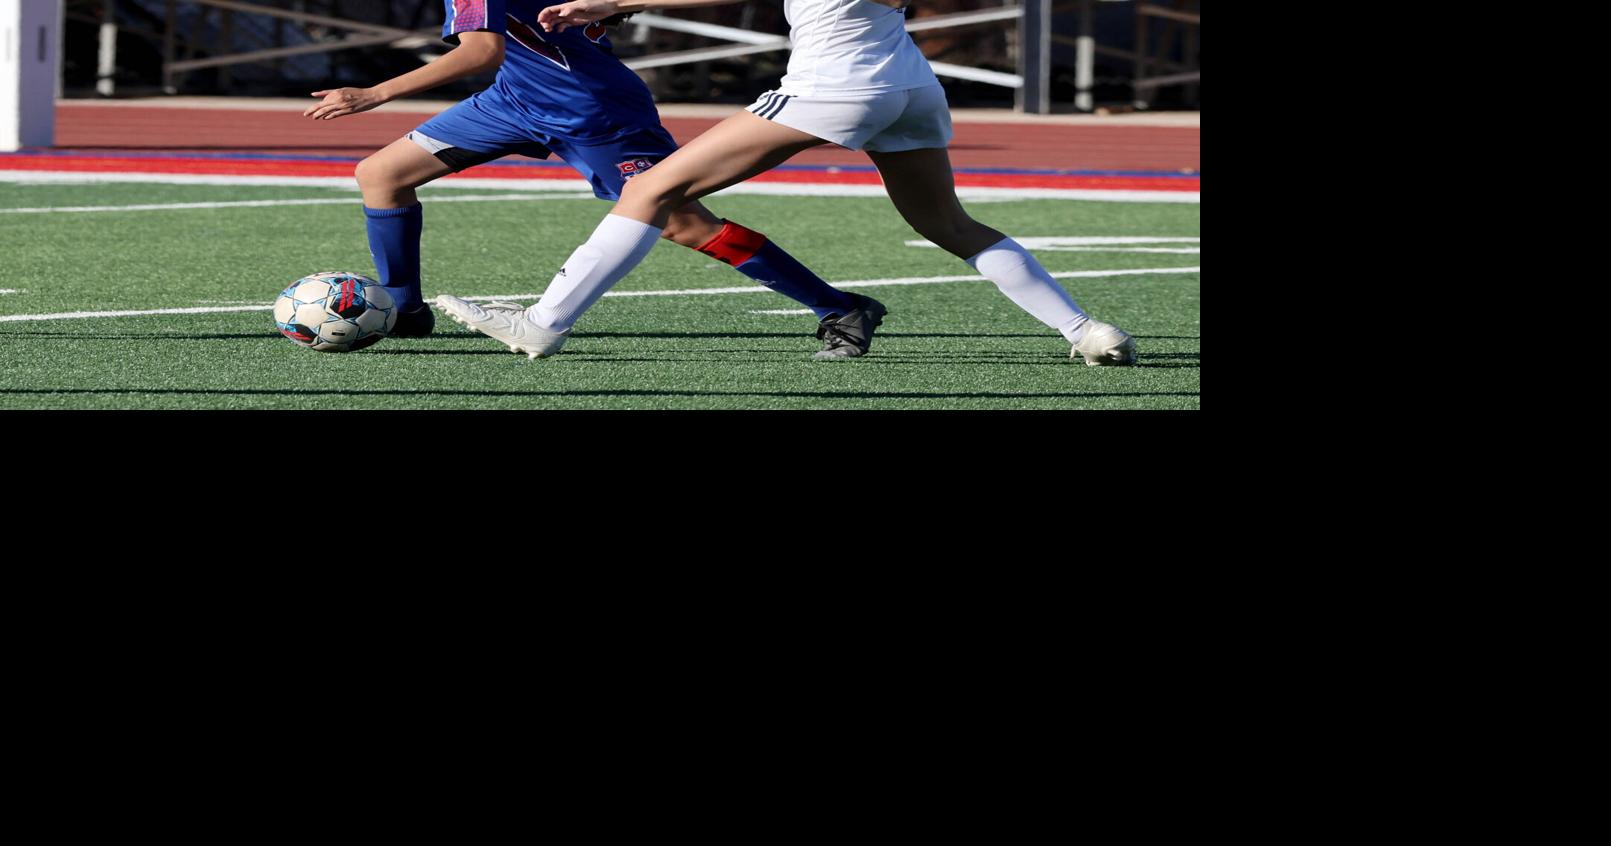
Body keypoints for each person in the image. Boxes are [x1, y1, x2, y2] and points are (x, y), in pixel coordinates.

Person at [435, 0, 1137, 366]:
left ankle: (543, 324)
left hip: (834, 88)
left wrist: (607, 3)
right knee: (948, 225)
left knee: (649, 192)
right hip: (910, 85)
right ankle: (1086, 329)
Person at [305, 0, 882, 358]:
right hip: (511, 102)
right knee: (382, 173)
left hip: (595, 113)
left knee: (682, 223)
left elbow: (480, 52)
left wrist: (375, 93)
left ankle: (837, 307)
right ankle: (406, 312)